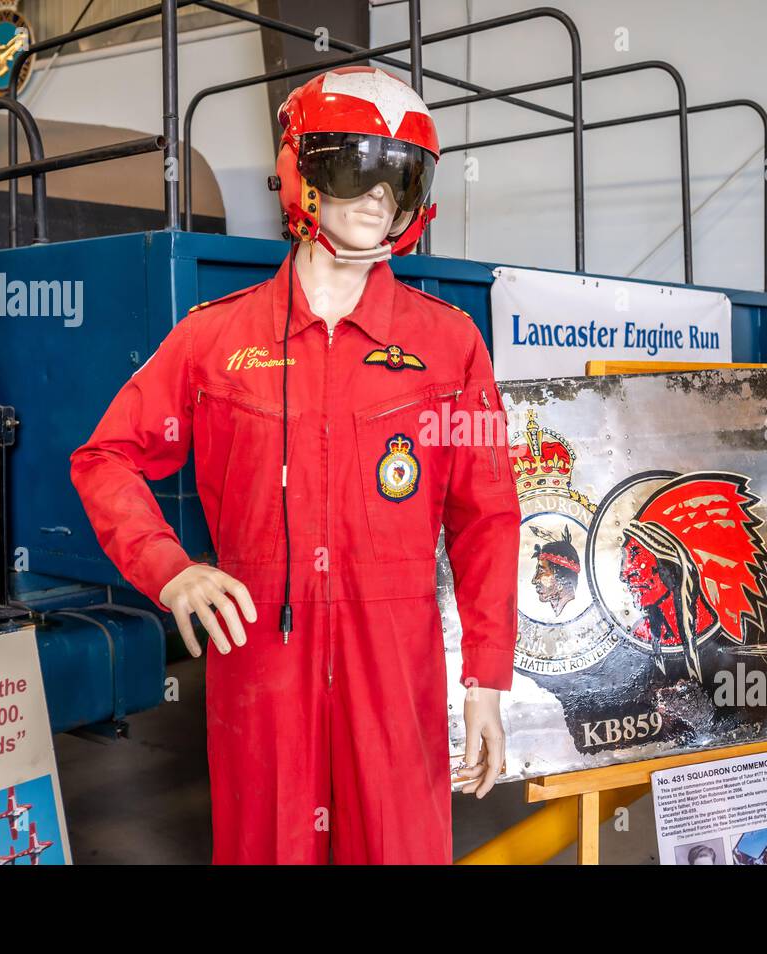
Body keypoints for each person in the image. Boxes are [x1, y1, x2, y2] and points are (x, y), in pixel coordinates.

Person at [70, 66, 520, 864]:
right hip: (261, 664)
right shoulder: (214, 340)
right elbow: (104, 457)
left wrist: (486, 677)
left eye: (401, 175)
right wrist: (169, 570)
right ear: (300, 174)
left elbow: (486, 516)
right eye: (358, 166)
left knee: (400, 848)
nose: (380, 196)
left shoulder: (451, 346)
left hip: (395, 666)